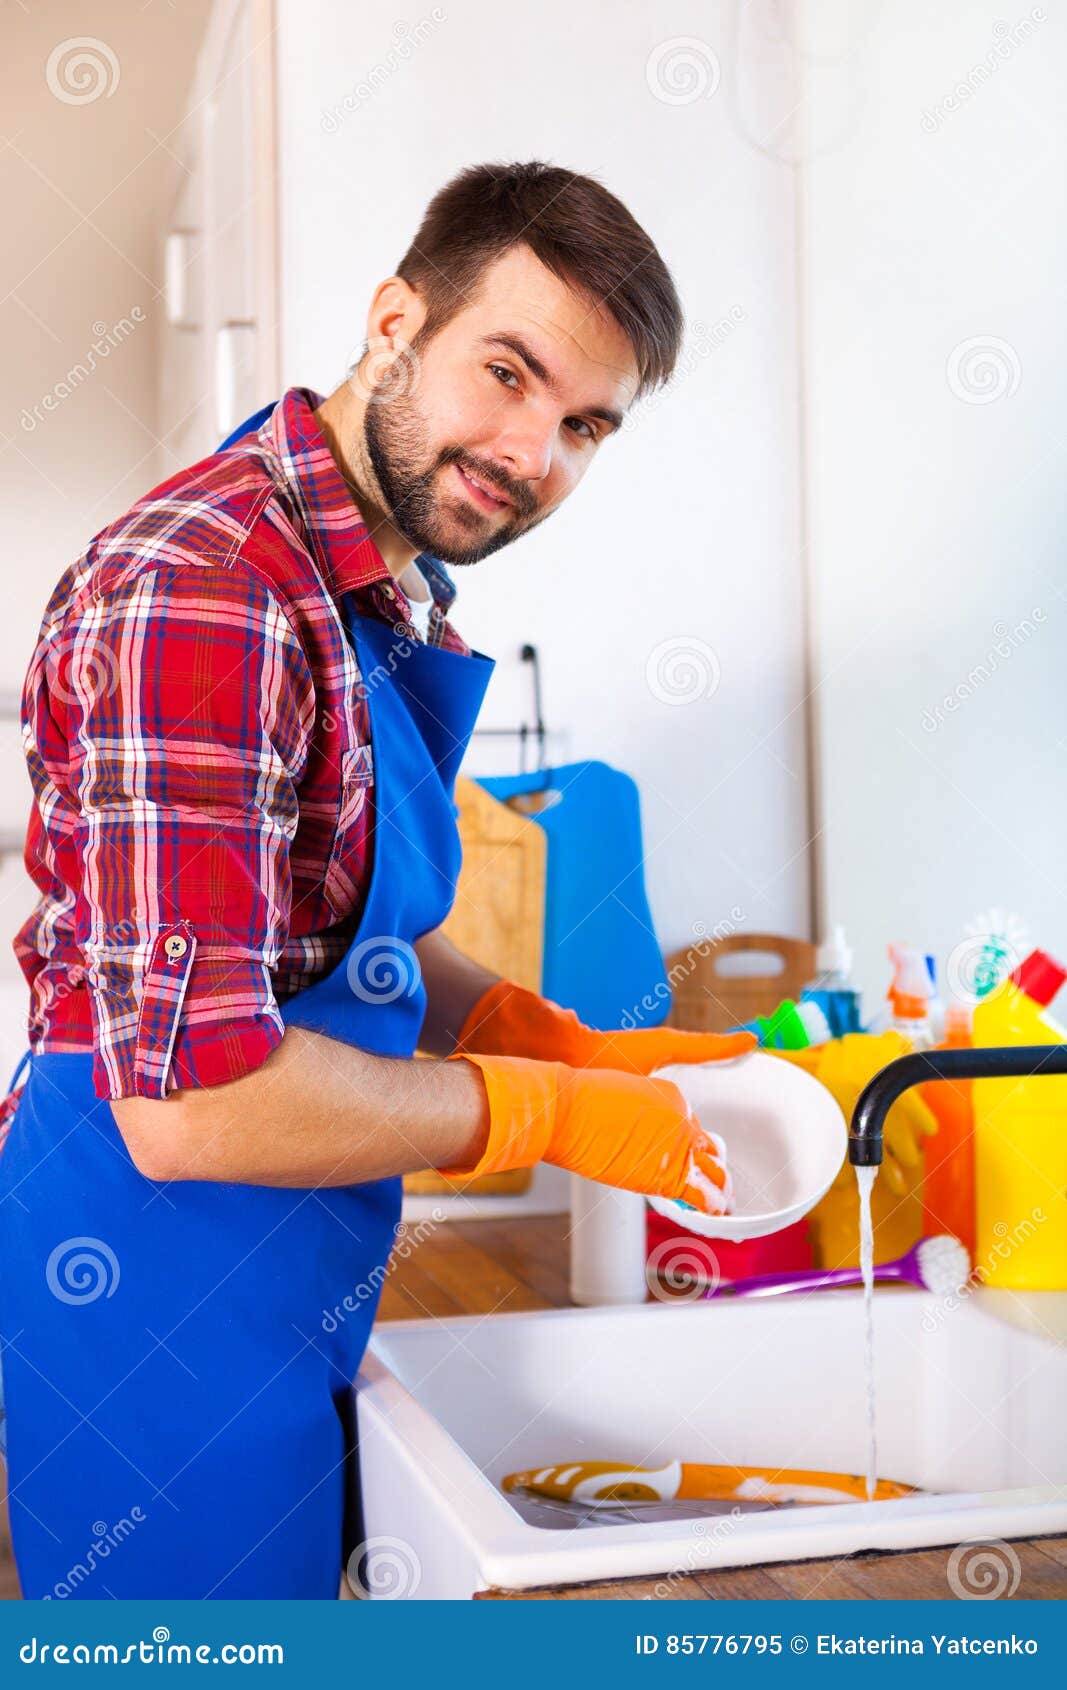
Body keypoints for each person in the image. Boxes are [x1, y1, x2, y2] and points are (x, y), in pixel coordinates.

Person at [0, 161, 752, 1599]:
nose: (533, 451)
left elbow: (321, 923)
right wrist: (540, 1110)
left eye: (584, 424)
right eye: (509, 372)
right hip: (158, 1257)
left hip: (283, 1247)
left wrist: (527, 1030)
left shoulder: (363, 583)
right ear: (396, 315)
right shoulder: (206, 588)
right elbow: (195, 1101)